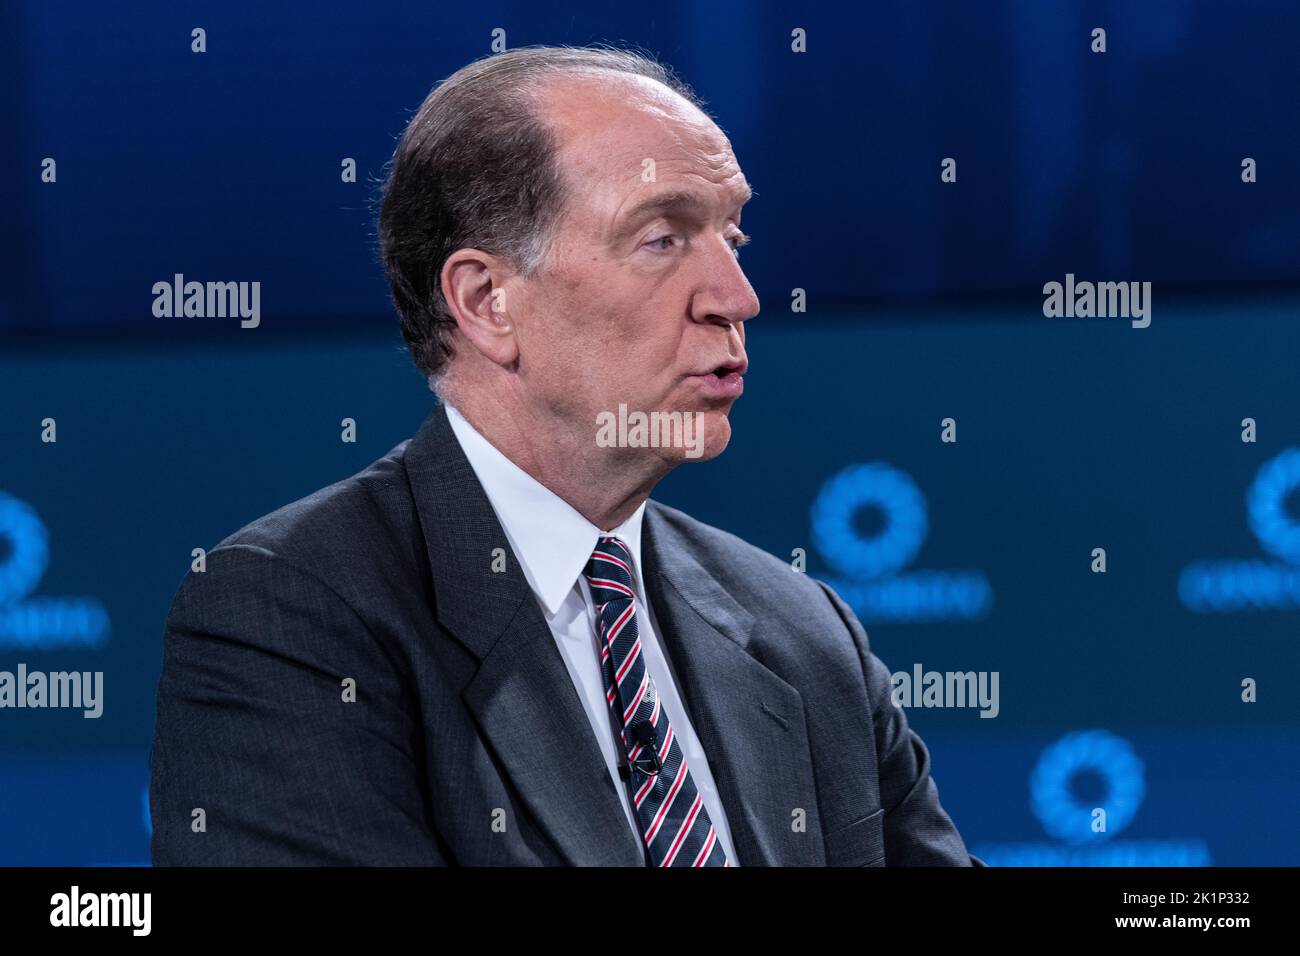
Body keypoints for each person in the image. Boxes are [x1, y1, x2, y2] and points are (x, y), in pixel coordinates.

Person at [149, 44, 980, 867]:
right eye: (663, 238)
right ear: (487, 304)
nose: (737, 298)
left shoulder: (803, 631)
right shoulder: (290, 617)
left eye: (733, 236)